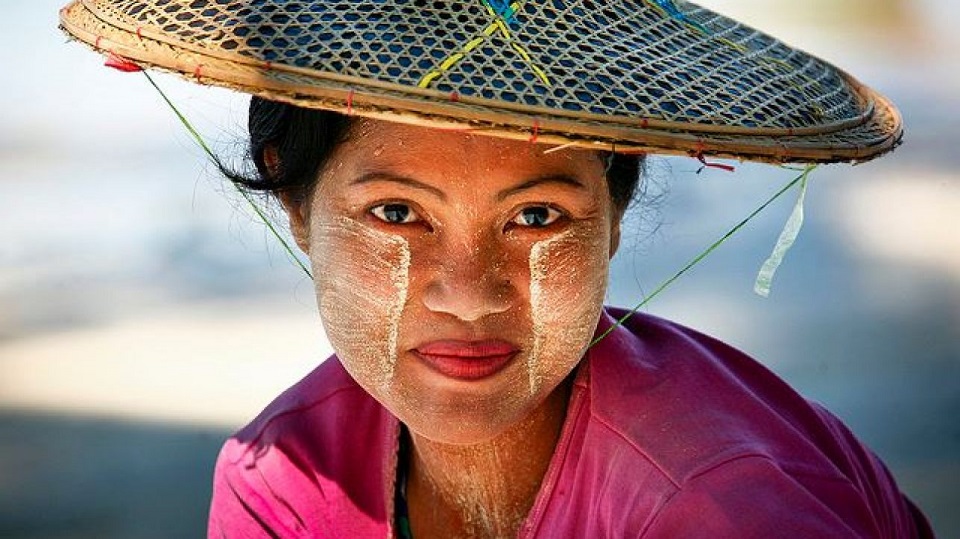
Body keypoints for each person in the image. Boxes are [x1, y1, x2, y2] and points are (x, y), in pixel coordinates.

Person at [59, 0, 934, 537]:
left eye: (536, 217)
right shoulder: (280, 480)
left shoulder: (718, 503)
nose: (468, 292)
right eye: (397, 214)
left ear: (615, 220)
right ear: (297, 209)